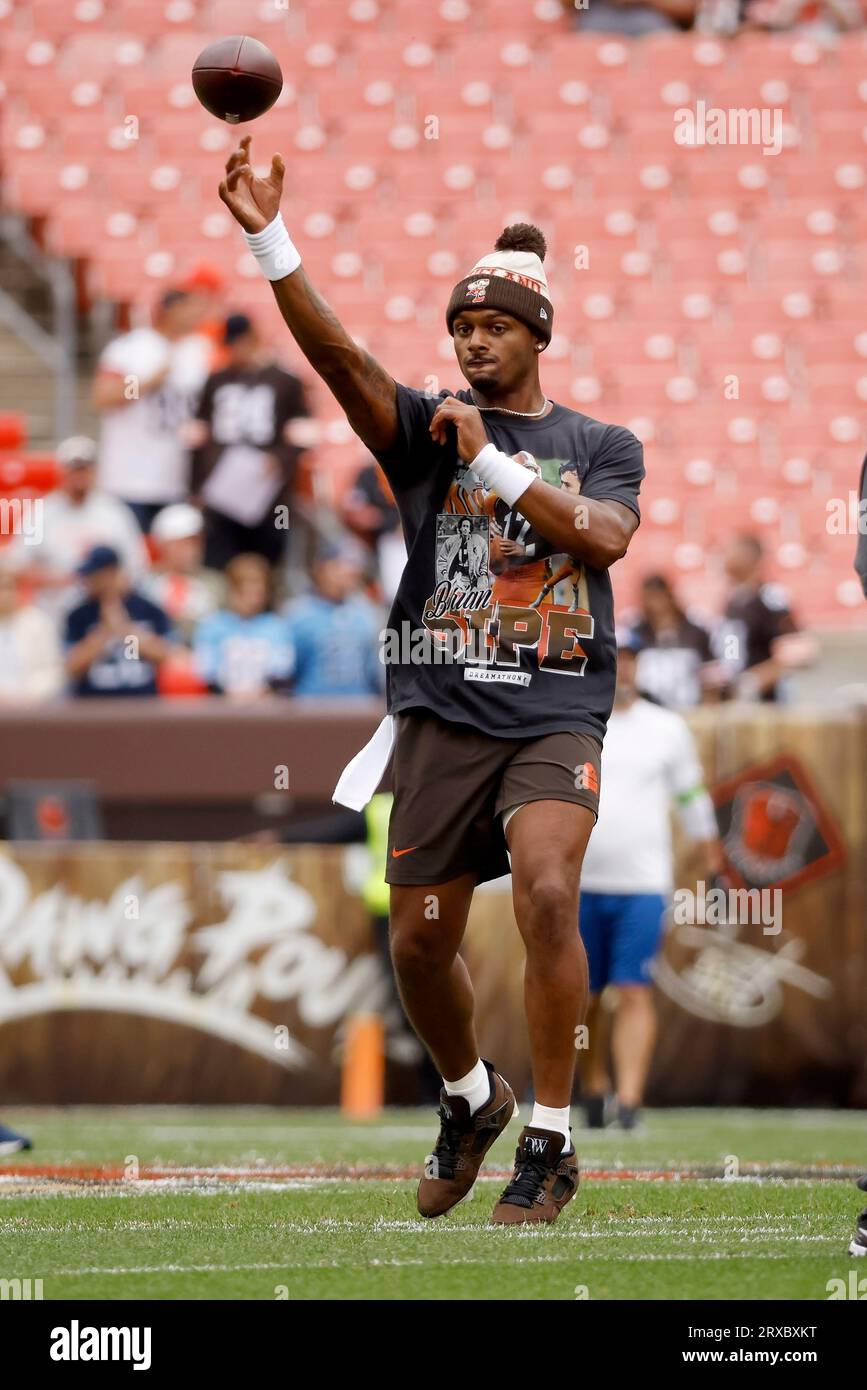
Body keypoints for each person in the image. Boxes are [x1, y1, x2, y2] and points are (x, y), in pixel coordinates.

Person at [219, 134, 644, 1224]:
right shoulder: (422, 429)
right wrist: (269, 236)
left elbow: (599, 539)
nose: (473, 341)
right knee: (418, 942)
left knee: (551, 889)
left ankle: (550, 1139)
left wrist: (491, 463)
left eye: (494, 324)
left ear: (536, 336)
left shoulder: (600, 441)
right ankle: (472, 1098)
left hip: (554, 705)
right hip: (443, 705)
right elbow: (338, 358)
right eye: (461, 327)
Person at [577, 634, 723, 1130]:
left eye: (632, 660)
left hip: (641, 882)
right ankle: (593, 1083)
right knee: (586, 995)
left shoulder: (666, 729)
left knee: (634, 989)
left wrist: (712, 860)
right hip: (580, 881)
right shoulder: (577, 722)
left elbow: (692, 796)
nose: (625, 670)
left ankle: (631, 1099)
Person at [190, 312, 309, 569]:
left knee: (266, 566)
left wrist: (279, 460)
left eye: (240, 342)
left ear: (253, 339)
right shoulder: (216, 380)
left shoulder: (285, 382)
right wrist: (197, 485)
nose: (235, 351)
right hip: (221, 493)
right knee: (221, 565)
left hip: (268, 495)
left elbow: (303, 434)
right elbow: (200, 436)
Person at [91, 289, 212, 532]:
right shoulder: (130, 347)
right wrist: (148, 382)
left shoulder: (200, 349)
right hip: (130, 479)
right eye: (190, 307)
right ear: (171, 309)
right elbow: (103, 396)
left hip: (178, 479)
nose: (197, 314)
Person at [10, 435, 147, 618]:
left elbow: (136, 567)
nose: (80, 475)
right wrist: (61, 579)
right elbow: (17, 566)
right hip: (54, 614)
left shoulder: (115, 512)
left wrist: (100, 584)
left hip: (102, 616)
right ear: (62, 471)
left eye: (84, 469)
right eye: (74, 469)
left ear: (94, 471)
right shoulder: (41, 512)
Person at [64, 545, 174, 697]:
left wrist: (124, 629)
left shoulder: (148, 609)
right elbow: (71, 668)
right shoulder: (78, 615)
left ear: (112, 573)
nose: (87, 581)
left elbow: (165, 657)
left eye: (94, 575)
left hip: (142, 706)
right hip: (92, 709)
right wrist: (104, 633)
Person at [284, 540, 383, 698]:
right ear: (320, 569)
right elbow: (288, 672)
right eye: (337, 566)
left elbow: (374, 671)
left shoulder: (366, 613)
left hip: (360, 709)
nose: (346, 572)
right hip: (311, 709)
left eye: (350, 567)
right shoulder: (298, 614)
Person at [712, 534, 805, 702]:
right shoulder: (733, 601)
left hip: (767, 699)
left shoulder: (770, 597)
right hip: (738, 700)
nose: (726, 557)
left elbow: (799, 650)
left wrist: (755, 680)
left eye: (732, 551)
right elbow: (732, 650)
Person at [193, 552, 293, 697]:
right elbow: (206, 673)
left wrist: (258, 694)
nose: (253, 600)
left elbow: (281, 673)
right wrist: (230, 695)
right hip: (221, 708)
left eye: (258, 593)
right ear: (232, 590)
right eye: (246, 592)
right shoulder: (213, 625)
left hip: (265, 706)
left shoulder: (276, 626)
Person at [141, 502, 225, 646]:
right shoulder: (143, 583)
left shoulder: (215, 583)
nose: (195, 549)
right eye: (187, 542)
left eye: (199, 542)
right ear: (164, 544)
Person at [630, 573, 714, 709]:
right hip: (649, 711)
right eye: (649, 598)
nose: (653, 604)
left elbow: (710, 675)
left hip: (690, 708)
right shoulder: (637, 633)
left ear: (669, 596)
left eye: (657, 596)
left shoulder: (695, 632)